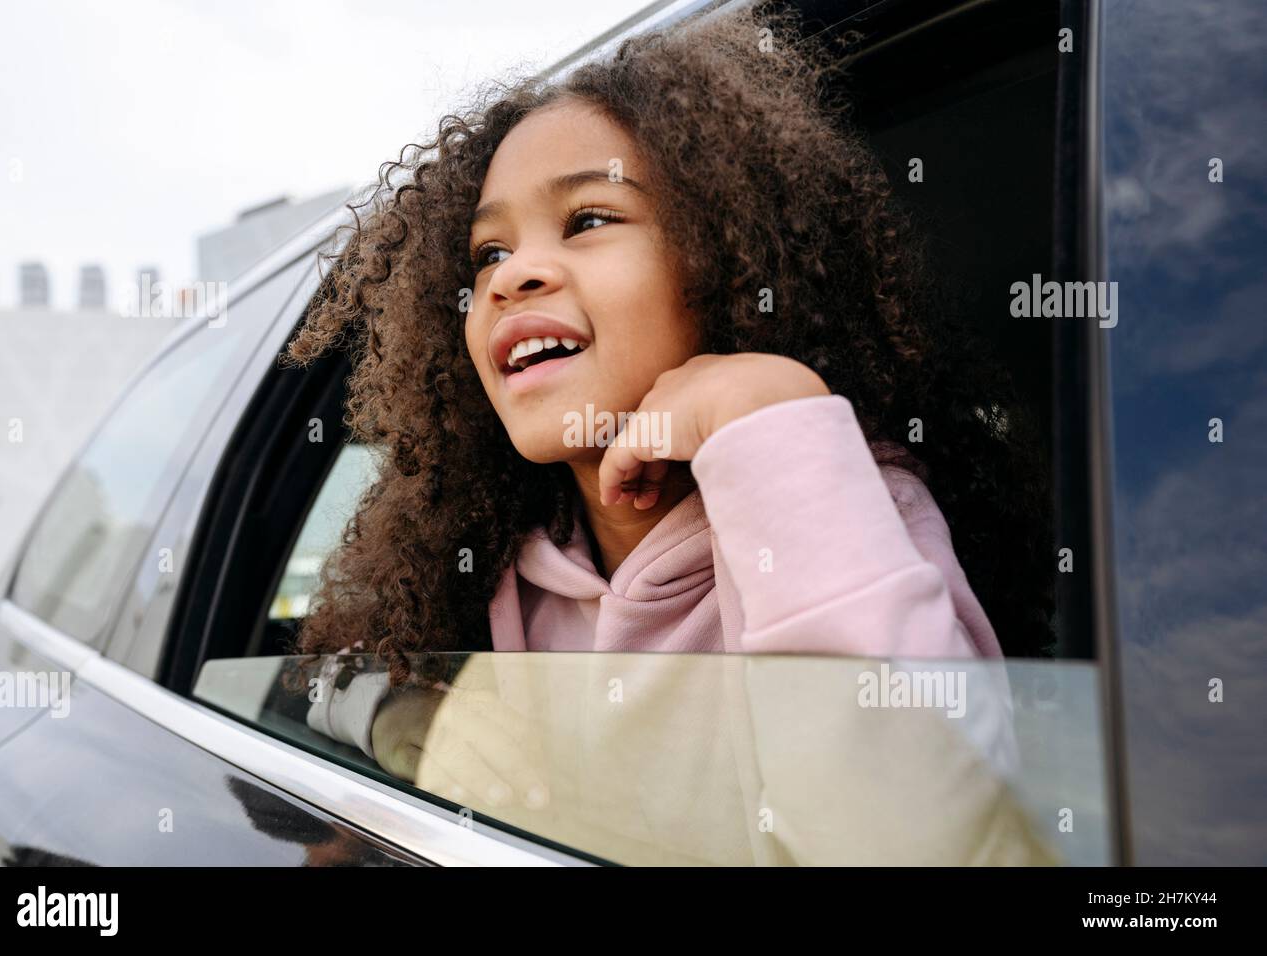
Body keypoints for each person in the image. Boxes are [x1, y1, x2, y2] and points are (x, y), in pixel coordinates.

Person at [289, 3, 1053, 793]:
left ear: (723, 263)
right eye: (489, 252)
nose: (512, 276)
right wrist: (406, 715)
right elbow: (313, 680)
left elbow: (926, 818)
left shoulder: (853, 504)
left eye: (587, 218)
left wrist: (764, 418)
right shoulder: (480, 558)